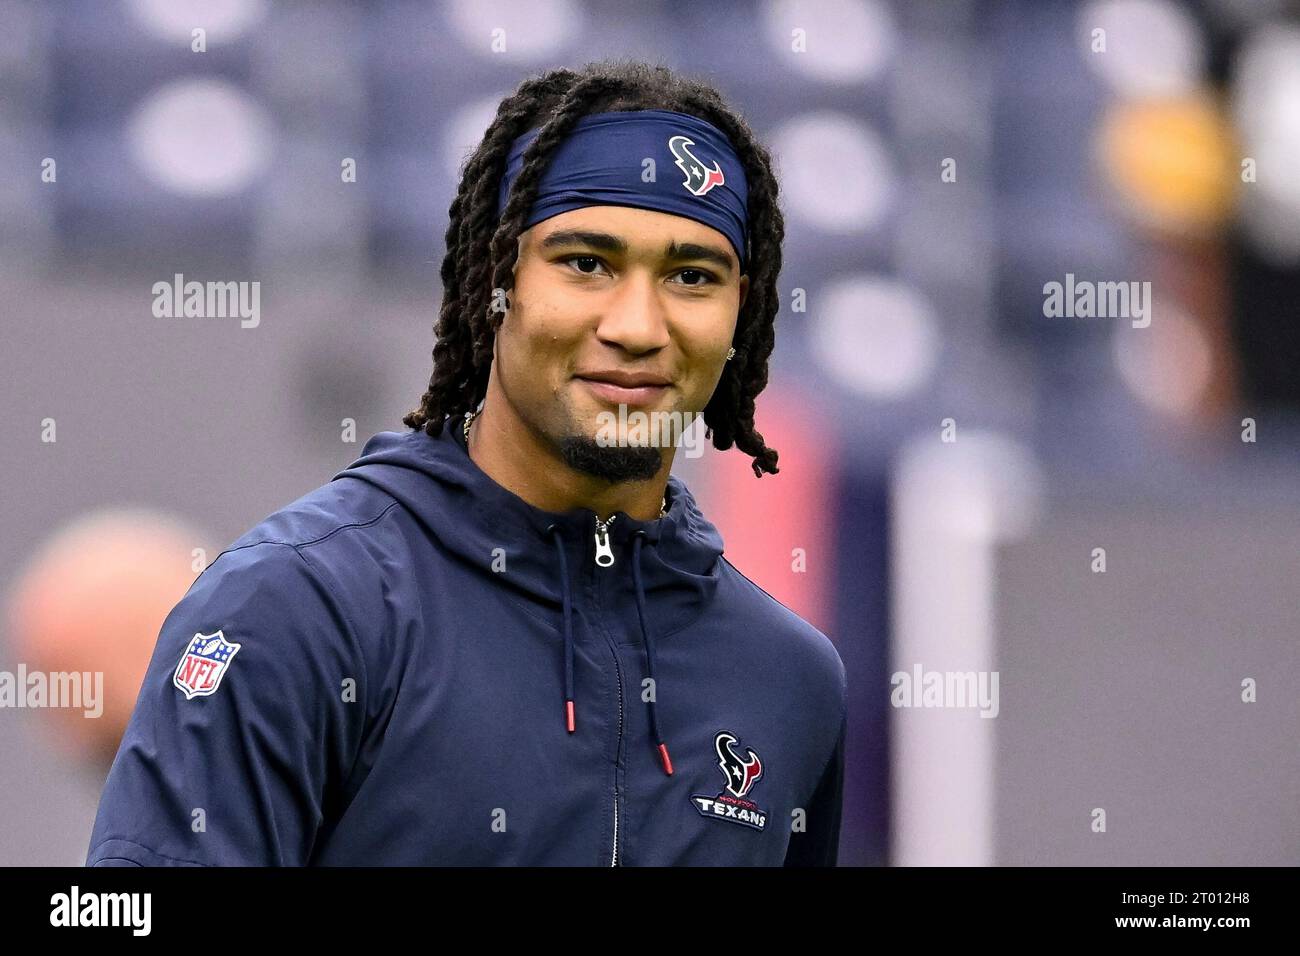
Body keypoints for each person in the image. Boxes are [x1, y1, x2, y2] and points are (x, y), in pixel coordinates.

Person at [86, 60, 847, 867]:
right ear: (496, 279)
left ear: (743, 309)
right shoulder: (293, 609)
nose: (636, 325)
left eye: (692, 276)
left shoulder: (788, 679)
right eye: (586, 262)